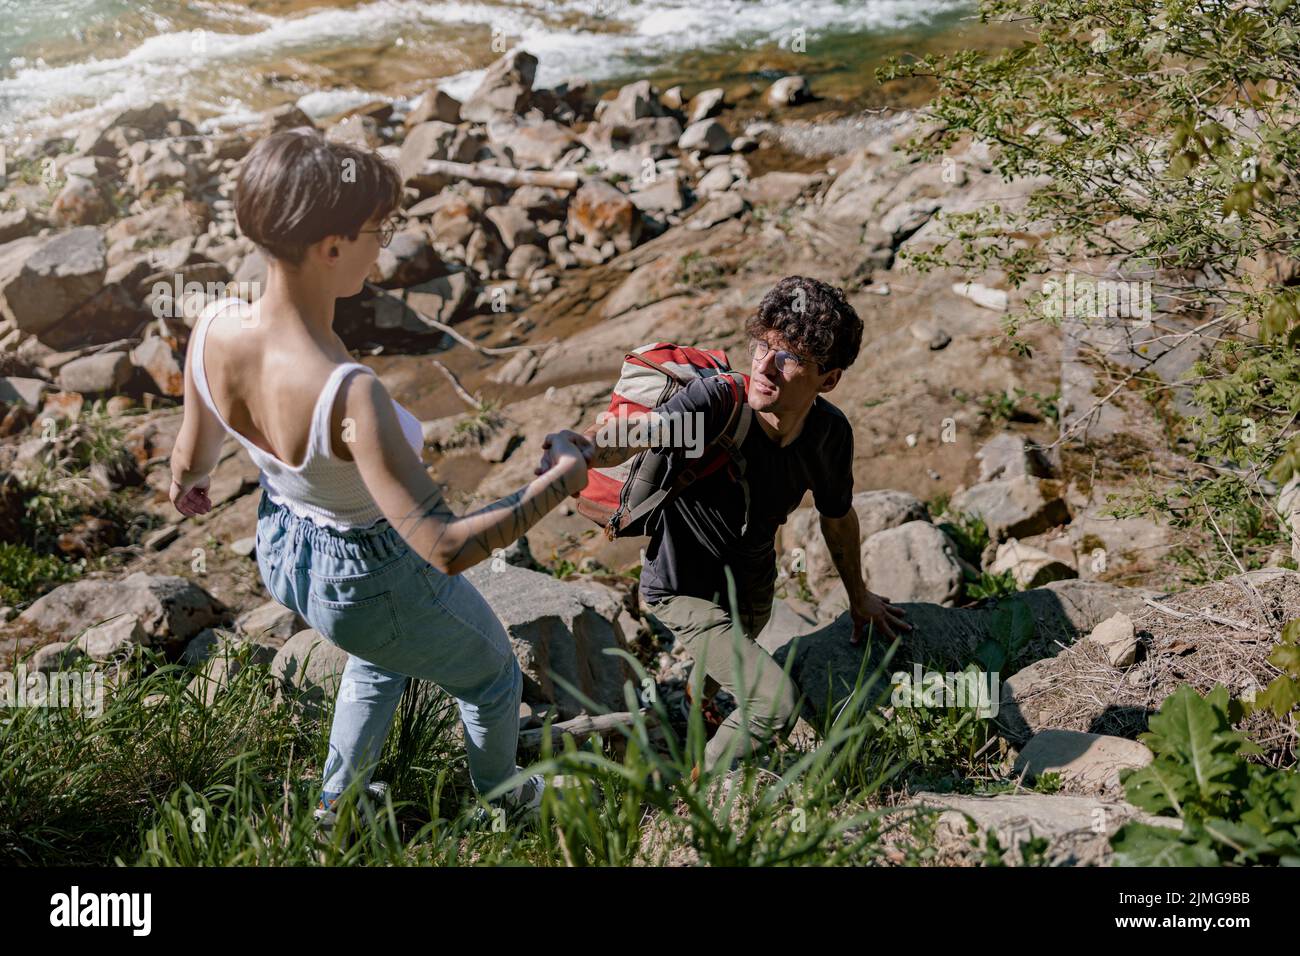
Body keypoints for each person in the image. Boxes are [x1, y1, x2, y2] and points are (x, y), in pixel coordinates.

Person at [167, 128, 591, 828]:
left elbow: (191, 462)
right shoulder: (348, 393)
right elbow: (445, 549)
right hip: (370, 578)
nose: (384, 244)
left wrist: (192, 487)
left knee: (380, 657)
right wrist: (560, 483)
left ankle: (339, 808)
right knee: (492, 678)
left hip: (286, 550)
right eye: (378, 230)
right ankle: (506, 803)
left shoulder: (213, 325)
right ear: (331, 248)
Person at [545, 275, 911, 776]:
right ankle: (698, 800)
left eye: (789, 357)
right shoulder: (716, 404)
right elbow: (645, 433)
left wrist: (858, 597)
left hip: (754, 584)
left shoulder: (829, 435)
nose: (764, 365)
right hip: (681, 586)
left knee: (724, 663)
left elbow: (837, 517)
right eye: (762, 345)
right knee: (774, 704)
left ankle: (696, 705)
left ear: (828, 379)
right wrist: (584, 451)